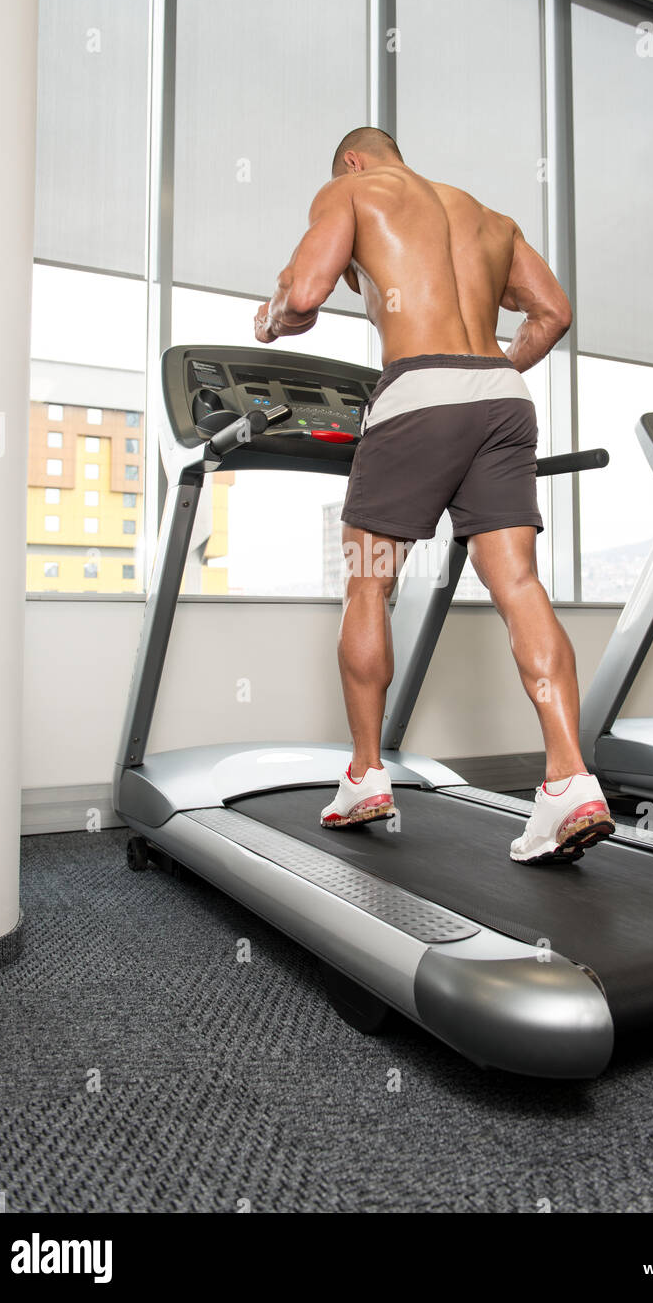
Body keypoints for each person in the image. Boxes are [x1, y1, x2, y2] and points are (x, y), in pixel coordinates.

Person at [255, 127, 613, 864]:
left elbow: (307, 293)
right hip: (503, 397)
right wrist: (484, 378)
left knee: (368, 587)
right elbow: (552, 314)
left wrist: (270, 317)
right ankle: (568, 779)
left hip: (417, 393)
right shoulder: (489, 216)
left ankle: (363, 775)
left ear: (352, 161)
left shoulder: (350, 190)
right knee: (516, 582)